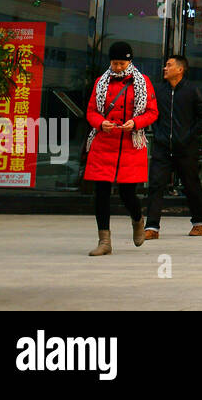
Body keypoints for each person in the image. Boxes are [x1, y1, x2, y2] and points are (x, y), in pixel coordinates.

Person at [84, 41, 157, 256]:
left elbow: (152, 112)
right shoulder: (100, 82)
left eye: (122, 63)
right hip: (104, 143)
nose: (117, 67)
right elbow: (91, 111)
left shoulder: (142, 82)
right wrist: (100, 123)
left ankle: (137, 219)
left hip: (130, 144)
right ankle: (104, 241)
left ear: (129, 61)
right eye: (114, 63)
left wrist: (135, 123)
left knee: (127, 193)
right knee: (102, 193)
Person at [143, 54, 202, 239]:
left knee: (191, 185)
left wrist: (189, 136)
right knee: (156, 184)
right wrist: (158, 133)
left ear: (180, 69)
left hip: (185, 147)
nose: (165, 68)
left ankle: (199, 222)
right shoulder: (158, 91)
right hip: (163, 146)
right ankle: (152, 227)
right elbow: (152, 114)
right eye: (165, 65)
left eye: (169, 65)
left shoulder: (193, 90)